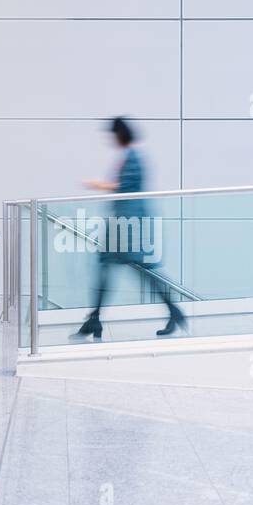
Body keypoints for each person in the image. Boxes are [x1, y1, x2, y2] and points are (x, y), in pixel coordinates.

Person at [70, 117, 186, 339]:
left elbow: (125, 188)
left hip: (128, 227)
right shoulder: (130, 156)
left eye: (113, 135)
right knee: (110, 268)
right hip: (122, 226)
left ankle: (173, 311)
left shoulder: (133, 157)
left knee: (140, 271)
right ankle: (95, 319)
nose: (111, 139)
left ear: (121, 135)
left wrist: (98, 184)